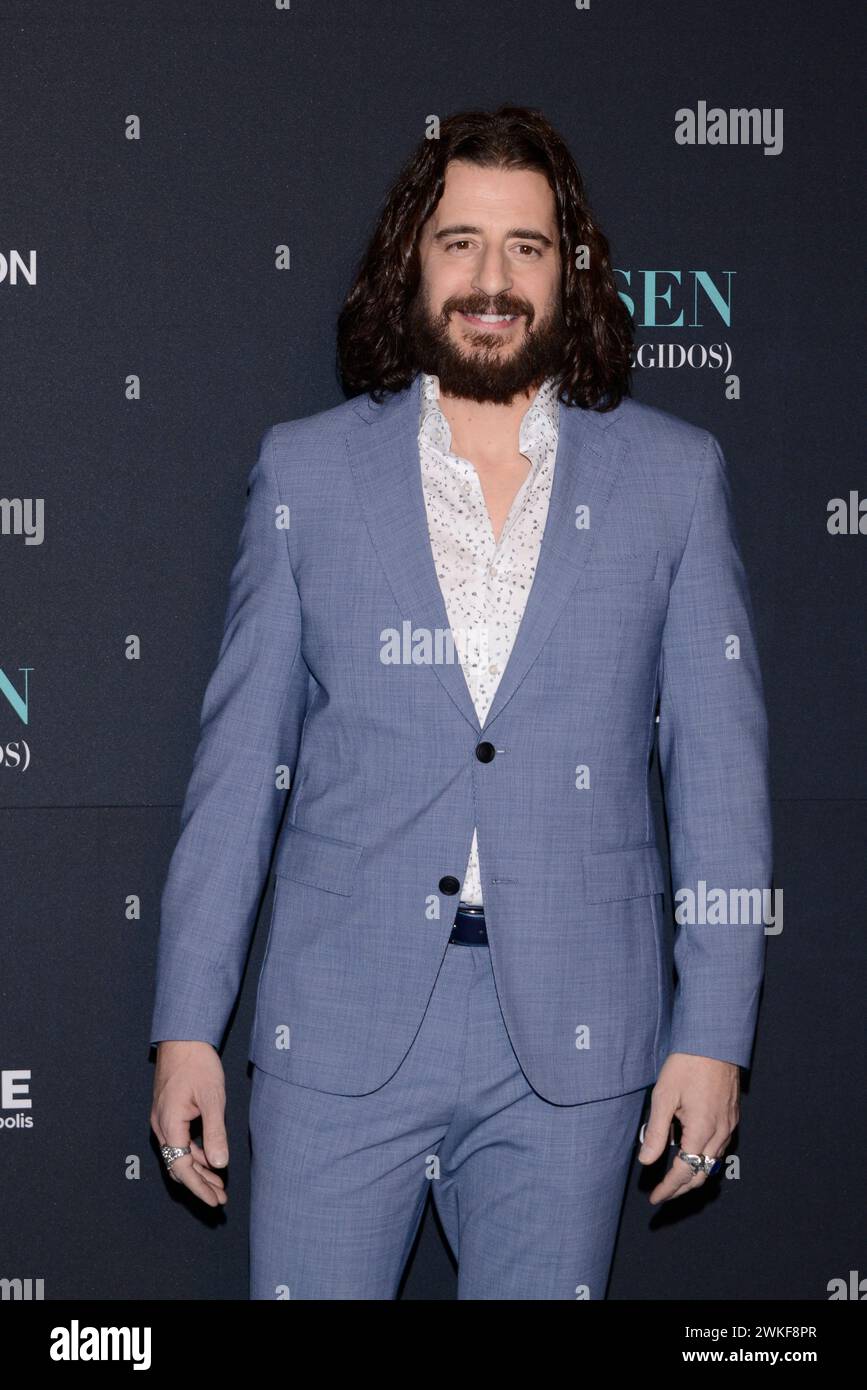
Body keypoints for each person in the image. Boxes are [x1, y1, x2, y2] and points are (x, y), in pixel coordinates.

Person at [149, 105, 773, 1300]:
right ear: (412, 261)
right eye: (460, 243)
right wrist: (187, 1020)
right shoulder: (307, 472)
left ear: (569, 269)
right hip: (339, 1025)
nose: (492, 280)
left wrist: (717, 1028)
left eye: (526, 247)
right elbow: (237, 773)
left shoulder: (673, 480)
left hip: (577, 1039)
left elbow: (721, 780)